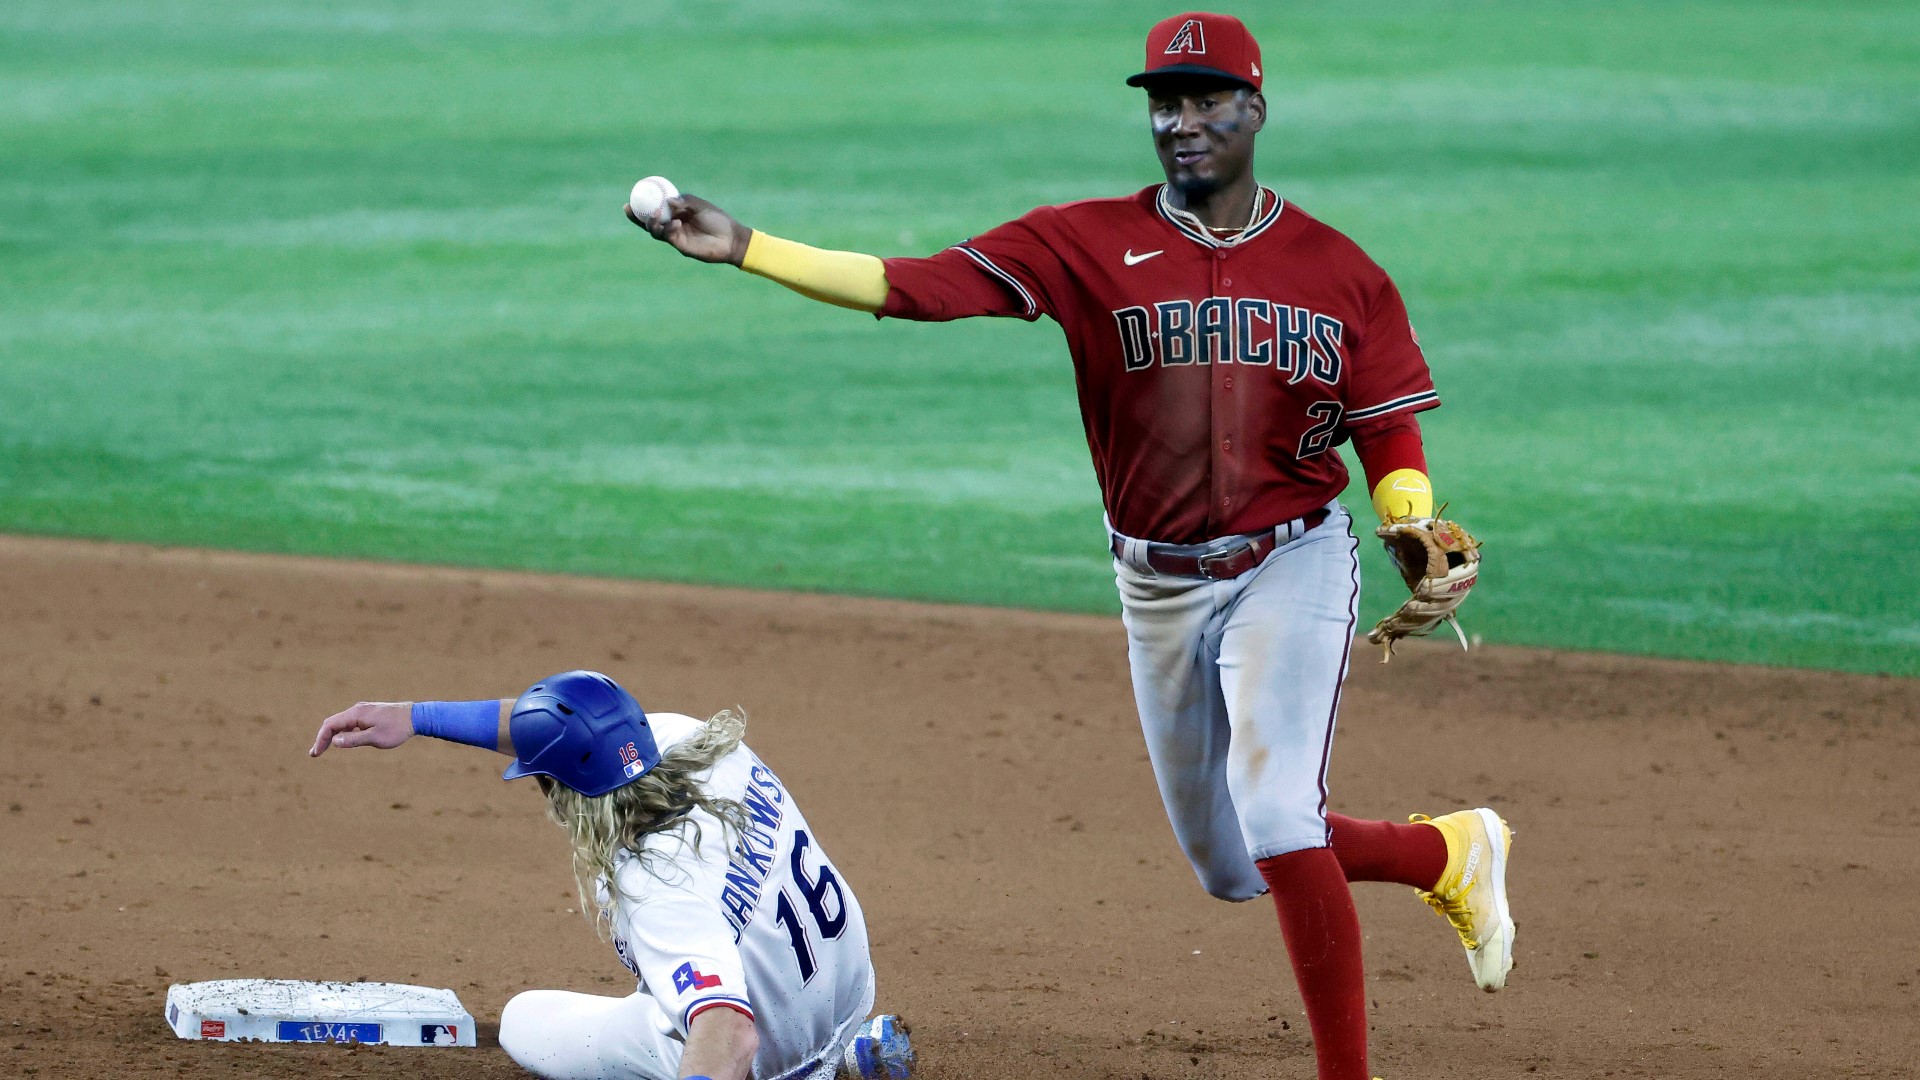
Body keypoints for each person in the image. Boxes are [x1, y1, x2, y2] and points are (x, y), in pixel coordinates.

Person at [625, 12, 1514, 1080]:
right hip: (1159, 585)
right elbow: (921, 286)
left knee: (1281, 819)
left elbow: (1386, 422)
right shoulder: (1085, 241)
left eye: (1206, 100)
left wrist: (1409, 507)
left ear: (1256, 109)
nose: (1181, 123)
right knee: (1235, 866)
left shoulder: (1340, 271)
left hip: (1294, 560)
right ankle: (1446, 850)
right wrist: (751, 250)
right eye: (1164, 103)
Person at [308, 669, 915, 1080]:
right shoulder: (686, 737)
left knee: (526, 1020)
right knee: (706, 977)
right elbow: (567, 732)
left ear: (557, 788)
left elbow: (730, 1035)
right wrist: (418, 717)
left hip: (776, 1053)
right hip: (849, 987)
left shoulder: (651, 881)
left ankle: (819, 1068)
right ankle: (850, 1051)